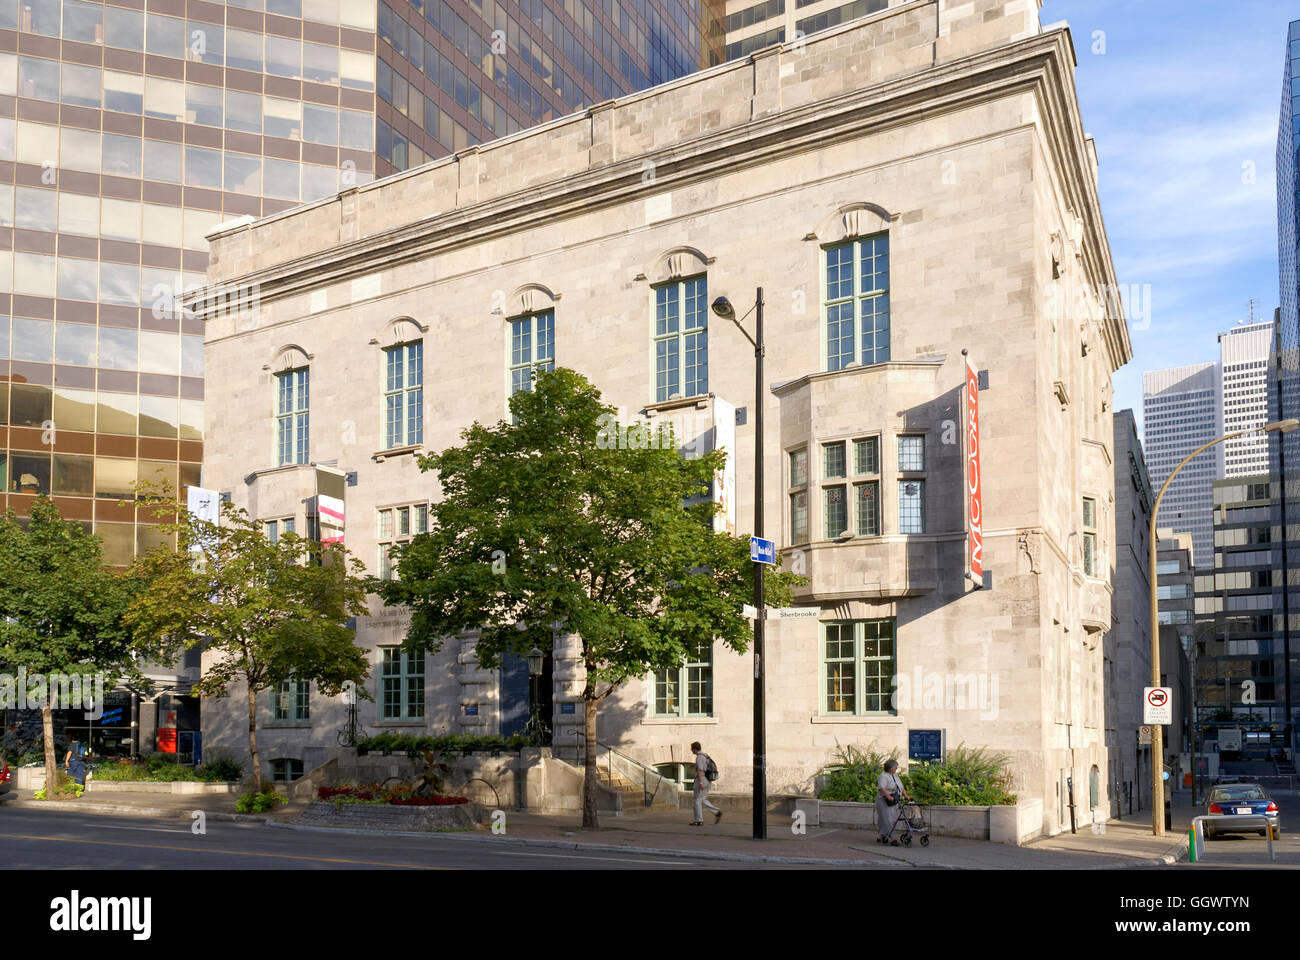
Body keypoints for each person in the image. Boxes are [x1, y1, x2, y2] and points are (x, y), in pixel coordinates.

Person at [876, 759, 910, 845]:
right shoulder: (883, 776)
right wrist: (888, 797)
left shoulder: (895, 775)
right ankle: (892, 839)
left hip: (894, 799)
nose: (896, 769)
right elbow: (882, 788)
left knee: (890, 819)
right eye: (896, 767)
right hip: (884, 800)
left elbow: (901, 787)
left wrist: (906, 796)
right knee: (887, 819)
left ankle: (881, 835)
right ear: (891, 768)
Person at [690, 741, 722, 826]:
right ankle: (717, 812)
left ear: (695, 749)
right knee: (702, 799)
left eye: (692, 749)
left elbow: (700, 770)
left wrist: (701, 782)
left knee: (697, 801)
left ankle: (699, 820)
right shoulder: (705, 756)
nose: (691, 750)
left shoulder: (699, 757)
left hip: (702, 780)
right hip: (708, 780)